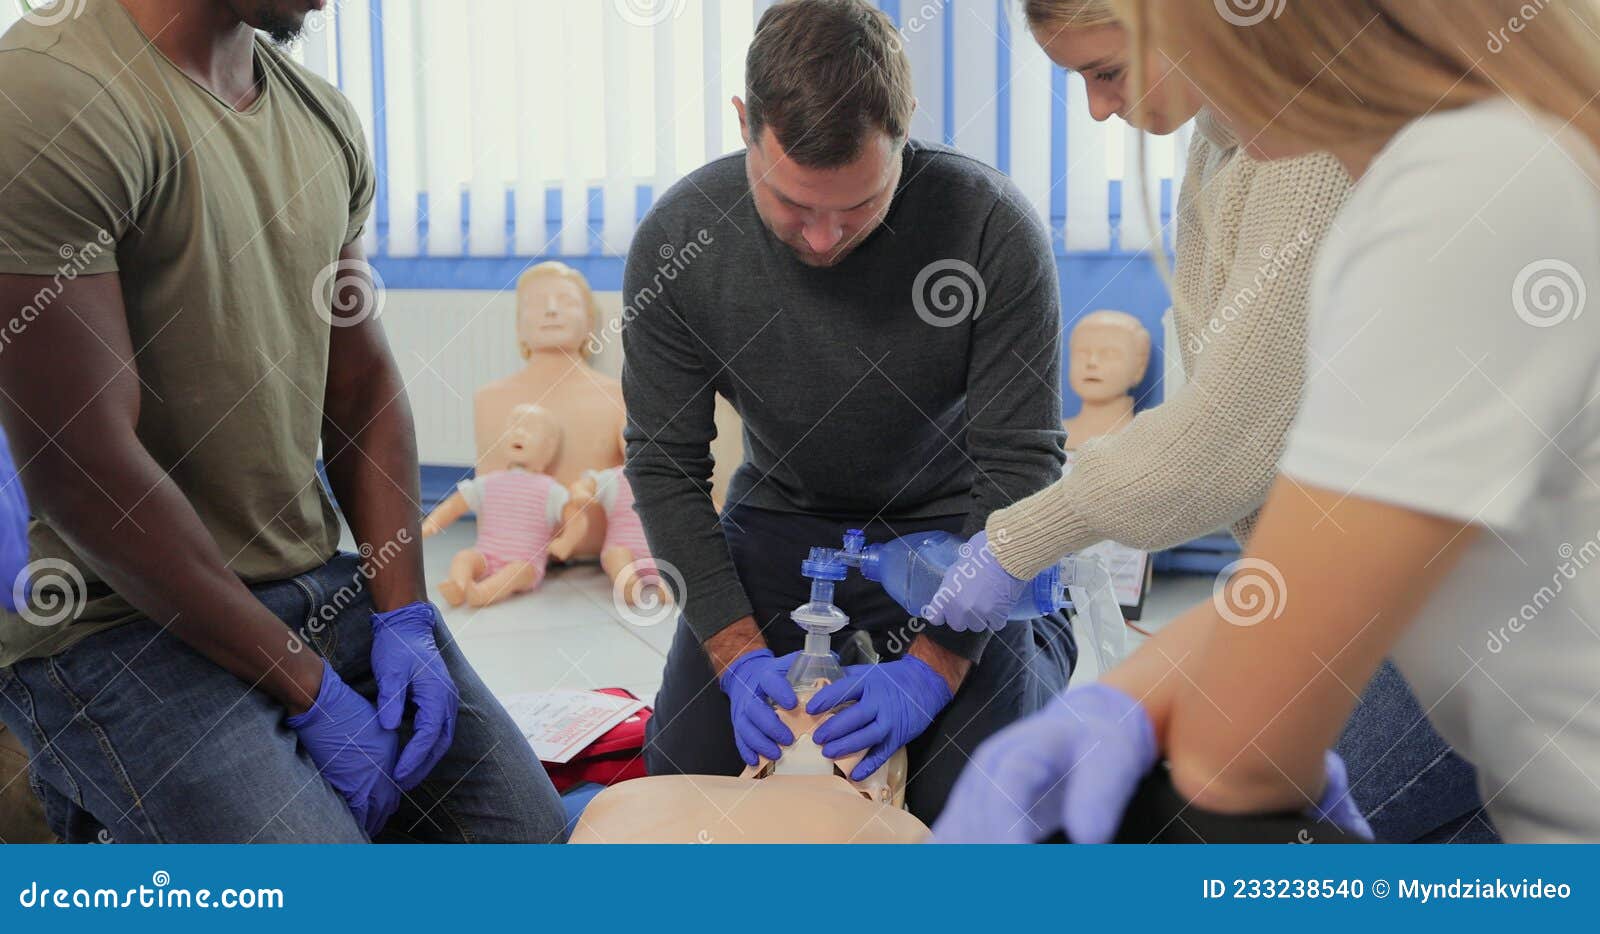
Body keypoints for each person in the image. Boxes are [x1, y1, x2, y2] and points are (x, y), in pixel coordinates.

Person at [934, 0, 1600, 844]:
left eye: (1111, 69)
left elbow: (1235, 447)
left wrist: (1152, 711)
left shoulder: (1461, 186)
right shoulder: (1445, 162)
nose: (1116, 108)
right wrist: (1144, 691)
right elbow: (1373, 541)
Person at [0, 0, 565, 843]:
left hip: (313, 588)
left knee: (530, 850)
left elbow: (362, 385)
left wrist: (404, 616)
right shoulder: (45, 94)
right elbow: (81, 467)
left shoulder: (320, 118)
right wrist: (309, 690)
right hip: (119, 628)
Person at [623, 0, 1074, 824]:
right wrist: (735, 654)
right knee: (687, 787)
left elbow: (1020, 466)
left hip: (957, 534)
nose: (826, 239)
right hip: (780, 520)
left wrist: (935, 666)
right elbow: (663, 465)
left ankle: (1046, 636)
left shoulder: (991, 228)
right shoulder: (680, 242)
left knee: (976, 807)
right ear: (743, 125)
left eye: (858, 206)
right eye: (795, 205)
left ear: (905, 139)